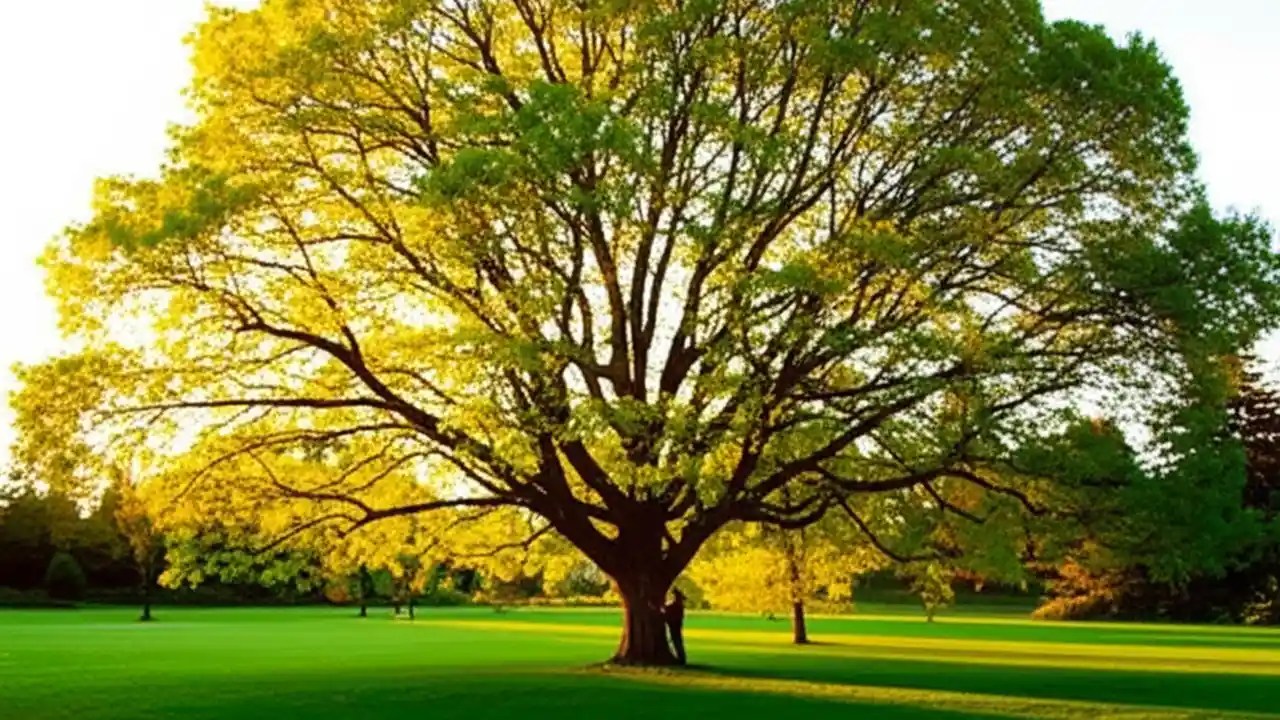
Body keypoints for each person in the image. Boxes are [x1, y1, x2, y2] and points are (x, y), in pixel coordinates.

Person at [663, 588, 687, 665]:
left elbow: (668, 612)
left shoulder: (677, 606)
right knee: (677, 642)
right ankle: (681, 658)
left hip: (675, 626)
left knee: (677, 642)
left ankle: (681, 659)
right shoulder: (678, 606)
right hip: (675, 626)